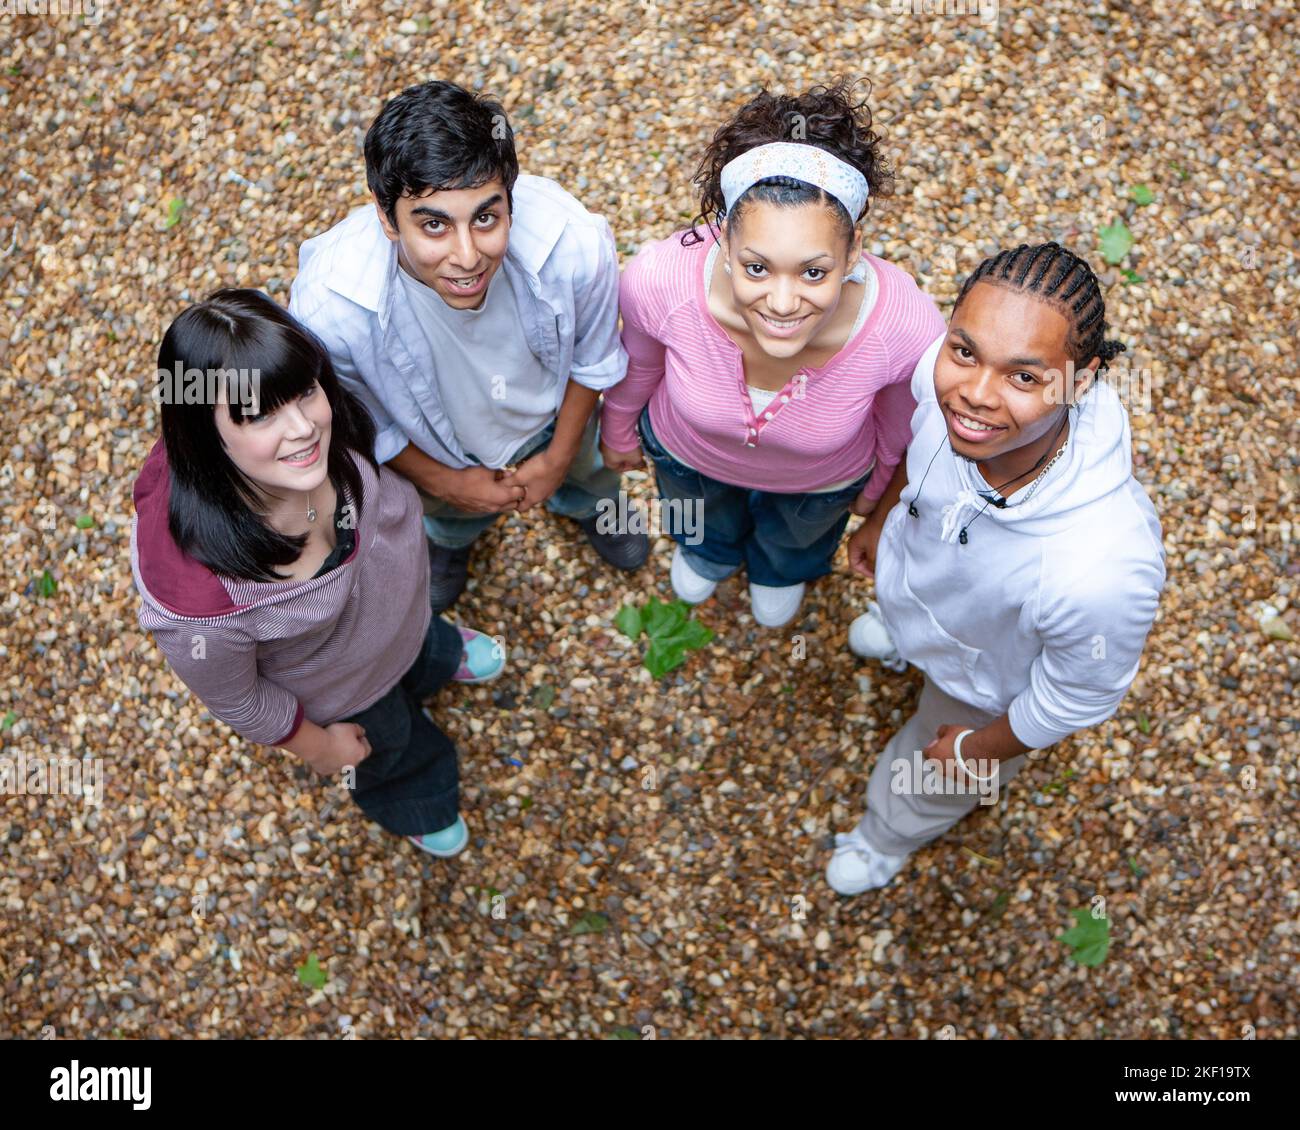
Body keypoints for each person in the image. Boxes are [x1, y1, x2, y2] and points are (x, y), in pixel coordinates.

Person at [827, 243, 1166, 894]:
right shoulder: (945, 380)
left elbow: (1079, 694)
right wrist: (880, 519)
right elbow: (922, 443)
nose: (974, 396)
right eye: (965, 352)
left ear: (1082, 378)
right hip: (917, 593)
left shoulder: (1100, 570)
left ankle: (884, 835)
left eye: (1024, 377)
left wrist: (975, 750)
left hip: (982, 689)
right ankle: (904, 641)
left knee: (931, 774)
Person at [132, 290, 503, 858]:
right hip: (346, 691)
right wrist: (319, 747)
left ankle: (433, 658)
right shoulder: (200, 602)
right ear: (206, 429)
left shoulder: (335, 424)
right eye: (259, 414)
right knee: (392, 744)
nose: (304, 428)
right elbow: (241, 700)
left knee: (421, 640)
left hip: (403, 612)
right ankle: (416, 798)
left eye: (305, 392)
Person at [289, 80, 648, 613]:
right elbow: (367, 424)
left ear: (511, 196)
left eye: (485, 217)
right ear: (386, 218)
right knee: (447, 513)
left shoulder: (574, 242)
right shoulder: (328, 309)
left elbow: (593, 360)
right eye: (434, 225)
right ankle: (454, 537)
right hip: (441, 451)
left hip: (557, 419)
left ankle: (590, 503)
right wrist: (452, 486)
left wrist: (558, 457)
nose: (466, 256)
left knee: (589, 473)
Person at [599, 79, 944, 627]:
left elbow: (899, 423)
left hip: (819, 488)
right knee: (702, 519)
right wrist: (618, 430)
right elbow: (639, 365)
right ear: (723, 240)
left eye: (813, 271)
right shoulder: (659, 282)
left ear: (853, 249)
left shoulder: (905, 328)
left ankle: (781, 569)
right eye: (757, 267)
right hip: (689, 461)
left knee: (796, 540)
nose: (783, 304)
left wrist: (876, 491)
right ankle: (708, 552)